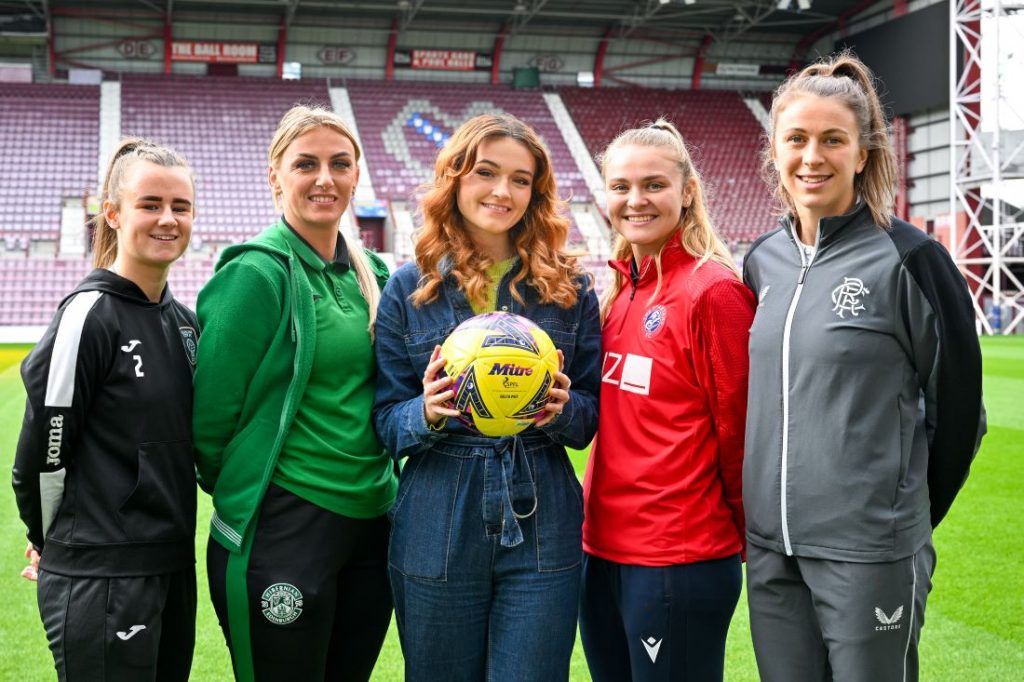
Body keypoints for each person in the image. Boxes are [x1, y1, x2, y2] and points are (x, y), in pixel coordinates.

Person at [743, 52, 986, 682]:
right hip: (772, 549)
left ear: (864, 152)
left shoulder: (913, 259)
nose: (812, 157)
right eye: (796, 139)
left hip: (870, 551)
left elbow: (961, 412)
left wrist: (899, 518)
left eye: (833, 140)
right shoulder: (761, 261)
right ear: (775, 150)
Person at [373, 113, 601, 681]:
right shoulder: (410, 286)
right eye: (486, 172)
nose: (503, 191)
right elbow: (385, 421)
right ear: (455, 179)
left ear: (536, 192)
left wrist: (561, 409)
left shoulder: (570, 288)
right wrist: (424, 412)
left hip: (542, 506)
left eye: (521, 179)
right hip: (436, 513)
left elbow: (588, 420)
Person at [192, 105, 395, 682]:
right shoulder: (253, 275)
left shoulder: (373, 274)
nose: (325, 178)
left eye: (340, 164)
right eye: (306, 164)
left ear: (357, 175)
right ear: (275, 175)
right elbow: (210, 418)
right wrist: (250, 486)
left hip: (372, 519)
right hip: (283, 523)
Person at [12, 138, 199, 681]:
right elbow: (42, 458)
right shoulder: (88, 317)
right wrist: (55, 543)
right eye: (151, 204)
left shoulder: (185, 323)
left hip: (170, 566)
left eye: (180, 207)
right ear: (113, 215)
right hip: (103, 576)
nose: (168, 219)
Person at [578, 120, 755, 682]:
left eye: (653, 184)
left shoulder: (714, 291)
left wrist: (738, 530)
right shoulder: (616, 291)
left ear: (687, 192)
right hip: (600, 547)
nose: (636, 200)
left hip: (678, 554)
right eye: (621, 186)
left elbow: (742, 432)